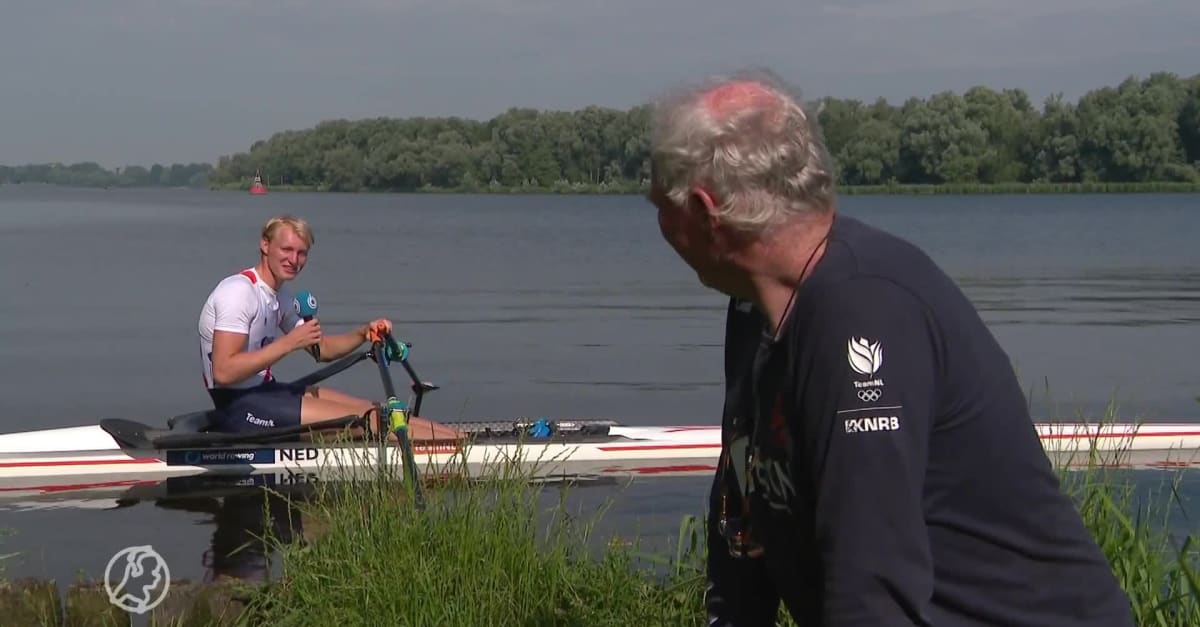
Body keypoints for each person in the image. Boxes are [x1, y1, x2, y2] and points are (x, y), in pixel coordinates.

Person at [645, 69, 1134, 626]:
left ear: (706, 214)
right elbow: (742, 509)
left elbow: (872, 583)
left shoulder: (862, 310)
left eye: (659, 203)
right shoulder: (755, 304)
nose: (658, 223)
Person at [197, 214, 459, 441]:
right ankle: (460, 452)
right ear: (265, 245)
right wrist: (289, 343)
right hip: (239, 408)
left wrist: (363, 333)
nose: (294, 260)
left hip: (266, 393)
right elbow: (224, 372)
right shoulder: (238, 293)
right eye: (286, 250)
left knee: (378, 410)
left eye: (301, 253)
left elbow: (321, 350)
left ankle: (460, 441)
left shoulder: (281, 297)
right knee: (370, 420)